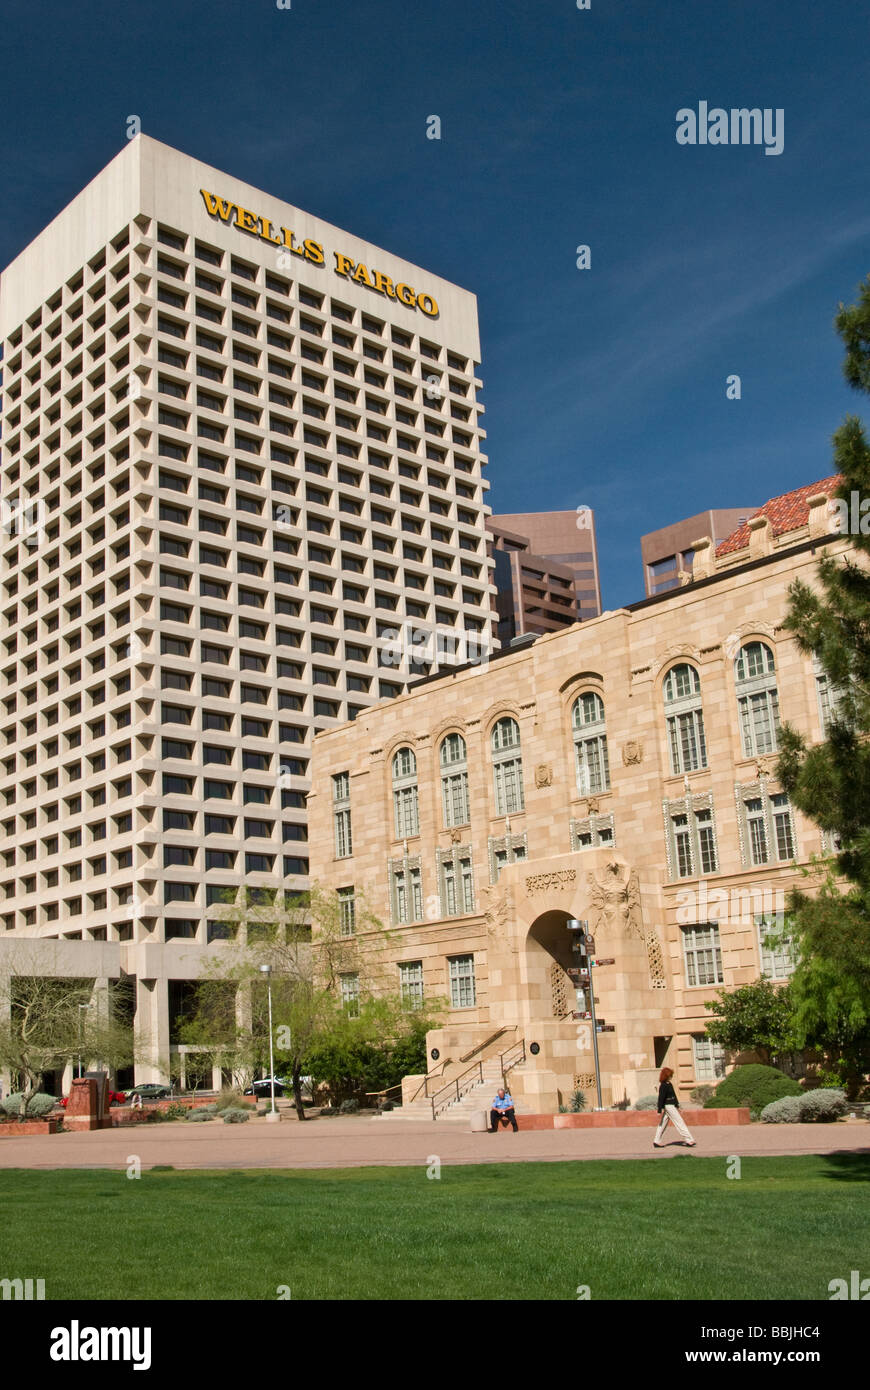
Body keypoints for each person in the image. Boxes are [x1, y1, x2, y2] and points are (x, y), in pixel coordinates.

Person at [653, 1067, 696, 1148]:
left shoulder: (669, 1084)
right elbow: (661, 1098)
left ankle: (656, 1140)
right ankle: (689, 1139)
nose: (671, 1077)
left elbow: (674, 1096)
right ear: (666, 1076)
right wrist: (659, 1110)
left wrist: (677, 1105)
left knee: (663, 1124)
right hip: (668, 1106)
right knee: (679, 1121)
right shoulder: (663, 1086)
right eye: (670, 1075)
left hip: (672, 1105)